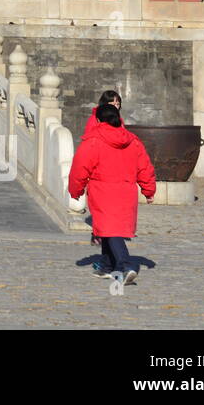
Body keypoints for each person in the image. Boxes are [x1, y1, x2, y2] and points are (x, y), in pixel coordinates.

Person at [68, 102, 157, 285]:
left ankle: (126, 266)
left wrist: (75, 190)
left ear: (99, 119)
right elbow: (145, 167)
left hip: (103, 191)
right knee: (107, 229)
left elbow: (80, 168)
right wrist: (148, 190)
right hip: (126, 191)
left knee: (111, 231)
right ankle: (109, 266)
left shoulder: (94, 141)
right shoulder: (133, 141)